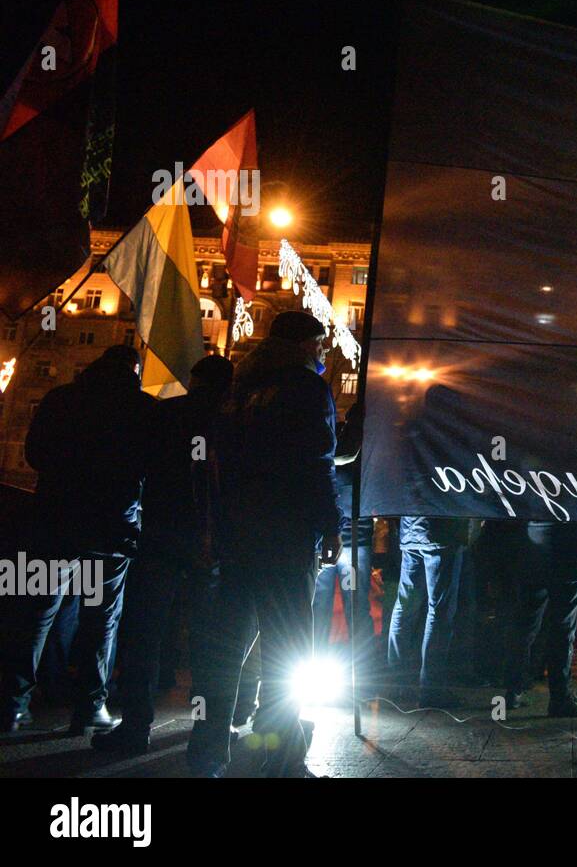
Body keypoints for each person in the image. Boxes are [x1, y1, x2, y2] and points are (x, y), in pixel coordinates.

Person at [187, 311, 341, 777]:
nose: (322, 354)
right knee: (287, 649)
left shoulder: (241, 392)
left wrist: (216, 530)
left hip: (237, 538)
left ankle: (208, 752)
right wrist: (331, 524)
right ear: (305, 345)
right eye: (319, 345)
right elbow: (317, 461)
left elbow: (217, 464)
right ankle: (280, 755)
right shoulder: (306, 389)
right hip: (286, 537)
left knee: (225, 650)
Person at [1, 345, 153, 735]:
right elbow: (152, 468)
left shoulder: (61, 398)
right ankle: (90, 708)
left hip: (53, 519)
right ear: (134, 370)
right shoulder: (142, 407)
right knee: (100, 617)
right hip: (110, 529)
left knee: (36, 612)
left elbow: (34, 454)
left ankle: (12, 705)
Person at [93, 354, 233, 754]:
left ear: (193, 379)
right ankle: (207, 732)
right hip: (211, 543)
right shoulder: (233, 421)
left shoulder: (166, 414)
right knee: (211, 644)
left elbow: (134, 468)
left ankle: (136, 727)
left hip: (160, 535)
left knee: (144, 636)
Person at [502, 521, 577, 716]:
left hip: (531, 557)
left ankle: (513, 691)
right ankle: (560, 698)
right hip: (568, 558)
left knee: (524, 628)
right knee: (562, 631)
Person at [313, 402, 374, 666]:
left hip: (331, 532)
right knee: (353, 607)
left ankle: (316, 664)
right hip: (351, 534)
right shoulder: (368, 446)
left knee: (320, 606)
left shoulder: (328, 438)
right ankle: (362, 671)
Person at [387, 516, 468, 707]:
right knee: (439, 611)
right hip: (442, 531)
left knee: (405, 608)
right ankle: (431, 689)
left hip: (410, 530)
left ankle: (397, 684)